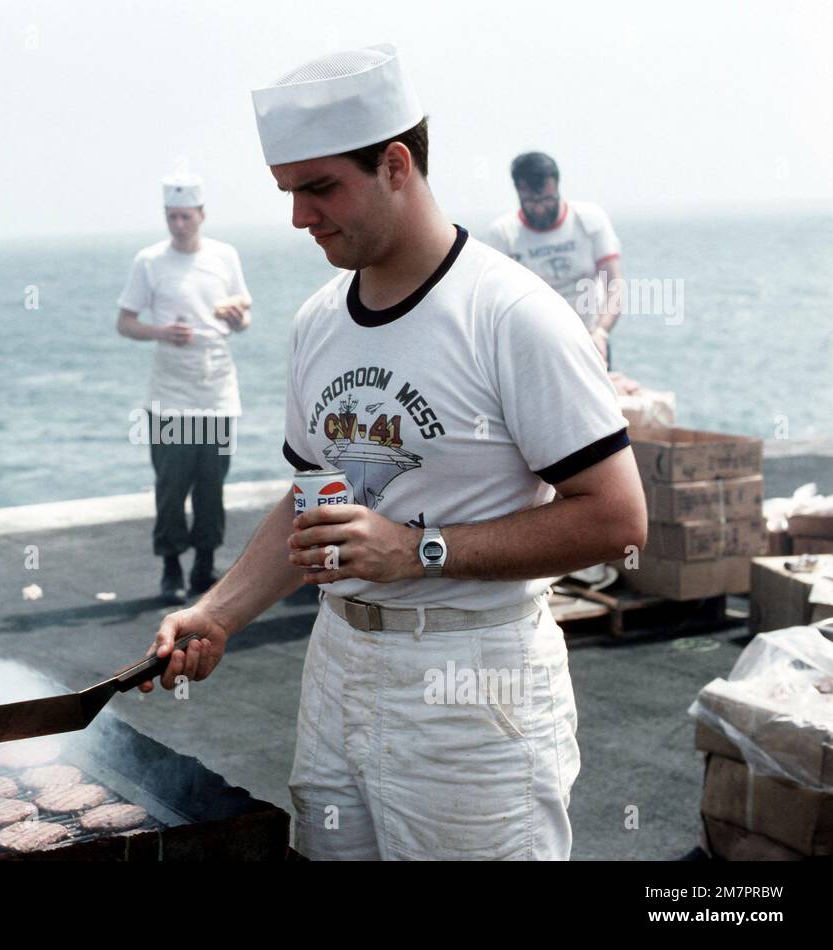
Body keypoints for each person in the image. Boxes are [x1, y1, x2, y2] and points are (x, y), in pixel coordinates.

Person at [138, 44, 647, 860]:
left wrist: (419, 550)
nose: (301, 217)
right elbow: (315, 500)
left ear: (397, 164)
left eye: (320, 187)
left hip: (473, 686)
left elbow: (619, 521)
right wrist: (217, 611)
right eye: (290, 193)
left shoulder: (510, 314)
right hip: (339, 667)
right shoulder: (318, 322)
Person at [116, 173, 252, 603]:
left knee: (212, 485)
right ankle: (171, 566)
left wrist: (236, 318)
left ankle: (205, 567)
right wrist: (161, 331)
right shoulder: (149, 261)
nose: (178, 225)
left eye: (185, 217)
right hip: (170, 396)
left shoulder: (224, 256)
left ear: (201, 216)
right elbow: (125, 322)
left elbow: (243, 312)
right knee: (172, 485)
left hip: (216, 391)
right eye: (171, 217)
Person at [484, 152, 624, 368]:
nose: (540, 208)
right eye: (530, 201)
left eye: (547, 199)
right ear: (518, 192)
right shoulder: (504, 235)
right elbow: (491, 302)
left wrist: (602, 332)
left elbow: (615, 284)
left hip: (590, 338)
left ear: (557, 188)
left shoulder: (590, 221)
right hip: (534, 347)